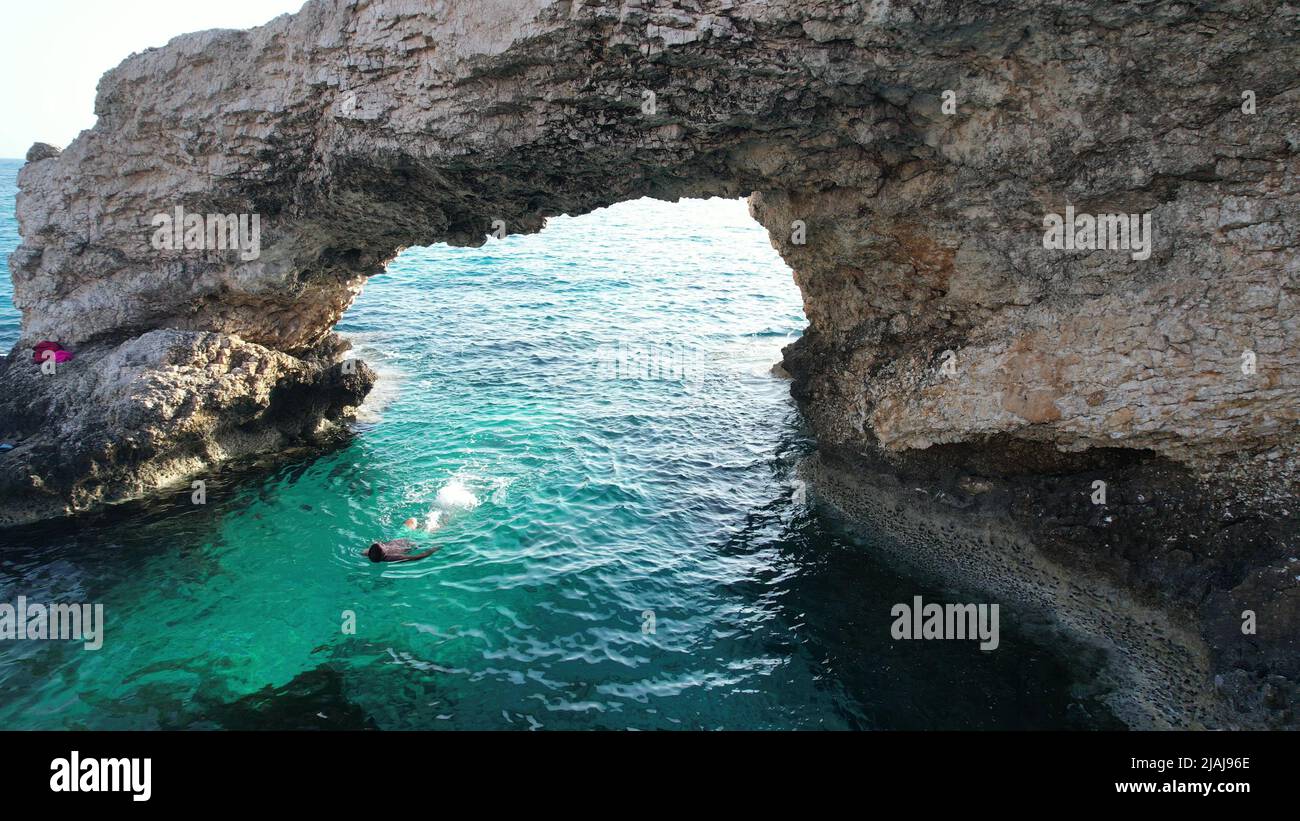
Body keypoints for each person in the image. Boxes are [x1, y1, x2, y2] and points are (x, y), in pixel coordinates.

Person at [363, 539, 439, 563]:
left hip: (400, 538)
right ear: (384, 553)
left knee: (412, 520)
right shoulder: (393, 558)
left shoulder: (367, 553)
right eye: (382, 545)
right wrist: (433, 549)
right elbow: (418, 557)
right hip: (412, 541)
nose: (382, 543)